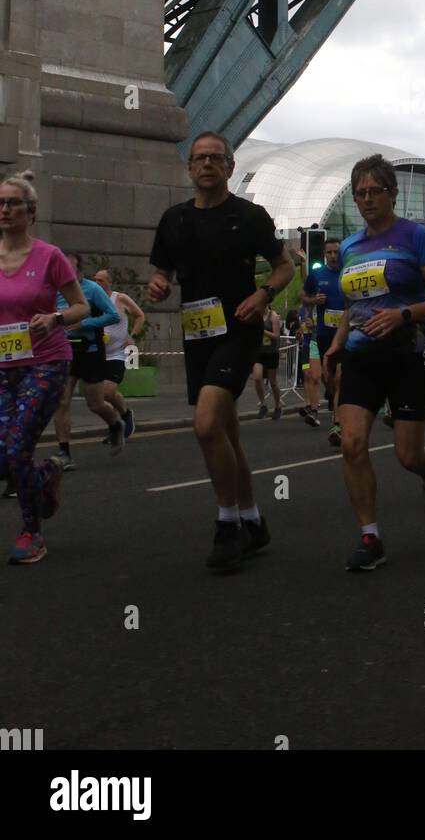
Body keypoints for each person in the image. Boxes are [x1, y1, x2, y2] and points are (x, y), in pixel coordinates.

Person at [147, 131, 293, 571]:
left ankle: (227, 524)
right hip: (197, 334)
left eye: (216, 158)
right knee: (226, 434)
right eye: (199, 158)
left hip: (238, 329)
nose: (207, 164)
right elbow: (161, 271)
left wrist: (264, 294)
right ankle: (253, 519)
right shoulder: (173, 220)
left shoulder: (250, 217)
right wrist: (158, 284)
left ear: (230, 166)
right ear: (189, 168)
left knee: (206, 424)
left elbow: (285, 266)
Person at [322, 153, 425, 570]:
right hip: (362, 356)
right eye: (359, 193)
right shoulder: (348, 247)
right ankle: (370, 537)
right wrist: (335, 347)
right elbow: (352, 305)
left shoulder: (415, 237)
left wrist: (403, 314)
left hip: (408, 354)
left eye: (374, 191)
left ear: (392, 194)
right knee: (352, 443)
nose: (366, 199)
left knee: (407, 455)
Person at [0, 173, 89, 564]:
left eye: (12, 203)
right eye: (0, 203)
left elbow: (81, 307)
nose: (4, 210)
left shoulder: (49, 256)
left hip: (46, 362)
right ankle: (47, 475)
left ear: (30, 212)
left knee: (18, 447)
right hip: (4, 366)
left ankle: (31, 533)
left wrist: (55, 318)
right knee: (5, 458)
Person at [53, 254, 122, 463]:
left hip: (90, 350)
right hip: (64, 350)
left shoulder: (92, 289)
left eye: (70, 267)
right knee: (62, 401)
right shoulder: (55, 289)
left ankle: (116, 424)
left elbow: (113, 315)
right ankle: (64, 452)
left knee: (95, 404)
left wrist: (85, 324)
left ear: (79, 270)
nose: (65, 271)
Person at [303, 238, 346, 447]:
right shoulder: (317, 275)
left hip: (345, 334)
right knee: (328, 376)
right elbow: (304, 297)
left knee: (340, 376)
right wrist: (313, 302)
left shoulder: (349, 272)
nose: (332, 256)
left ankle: (337, 423)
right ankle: (330, 392)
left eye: (336, 252)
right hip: (324, 334)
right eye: (329, 252)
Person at [93, 268, 143, 441]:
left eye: (101, 280)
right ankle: (116, 425)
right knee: (100, 397)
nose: (97, 283)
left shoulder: (120, 298)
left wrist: (132, 336)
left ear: (109, 282)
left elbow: (139, 315)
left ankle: (126, 415)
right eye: (95, 280)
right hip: (99, 354)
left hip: (118, 354)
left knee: (108, 391)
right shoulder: (93, 300)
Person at [253, 306, 283, 419]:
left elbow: (276, 336)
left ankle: (278, 406)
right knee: (257, 378)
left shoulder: (273, 317)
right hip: (258, 352)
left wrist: (263, 331)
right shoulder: (256, 316)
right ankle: (263, 405)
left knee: (273, 382)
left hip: (271, 352)